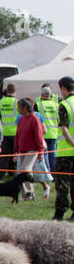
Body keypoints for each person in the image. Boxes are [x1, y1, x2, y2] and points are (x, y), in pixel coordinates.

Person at [13, 97, 44, 201]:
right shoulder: (21, 119)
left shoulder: (34, 119)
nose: (18, 109)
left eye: (19, 107)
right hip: (22, 149)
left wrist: (40, 152)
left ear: (25, 107)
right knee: (24, 171)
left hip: (32, 149)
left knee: (25, 169)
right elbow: (18, 135)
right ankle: (26, 194)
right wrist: (16, 151)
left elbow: (39, 136)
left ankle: (29, 193)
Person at [55, 77, 74, 221]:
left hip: (66, 152)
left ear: (63, 88)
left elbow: (64, 129)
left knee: (62, 184)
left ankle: (60, 212)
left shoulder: (65, 105)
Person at [0, 82, 18, 171]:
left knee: (4, 155)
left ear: (7, 91)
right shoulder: (17, 102)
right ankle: (12, 172)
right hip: (15, 132)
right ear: (15, 91)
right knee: (14, 153)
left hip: (4, 132)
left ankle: (1, 173)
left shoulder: (0, 103)